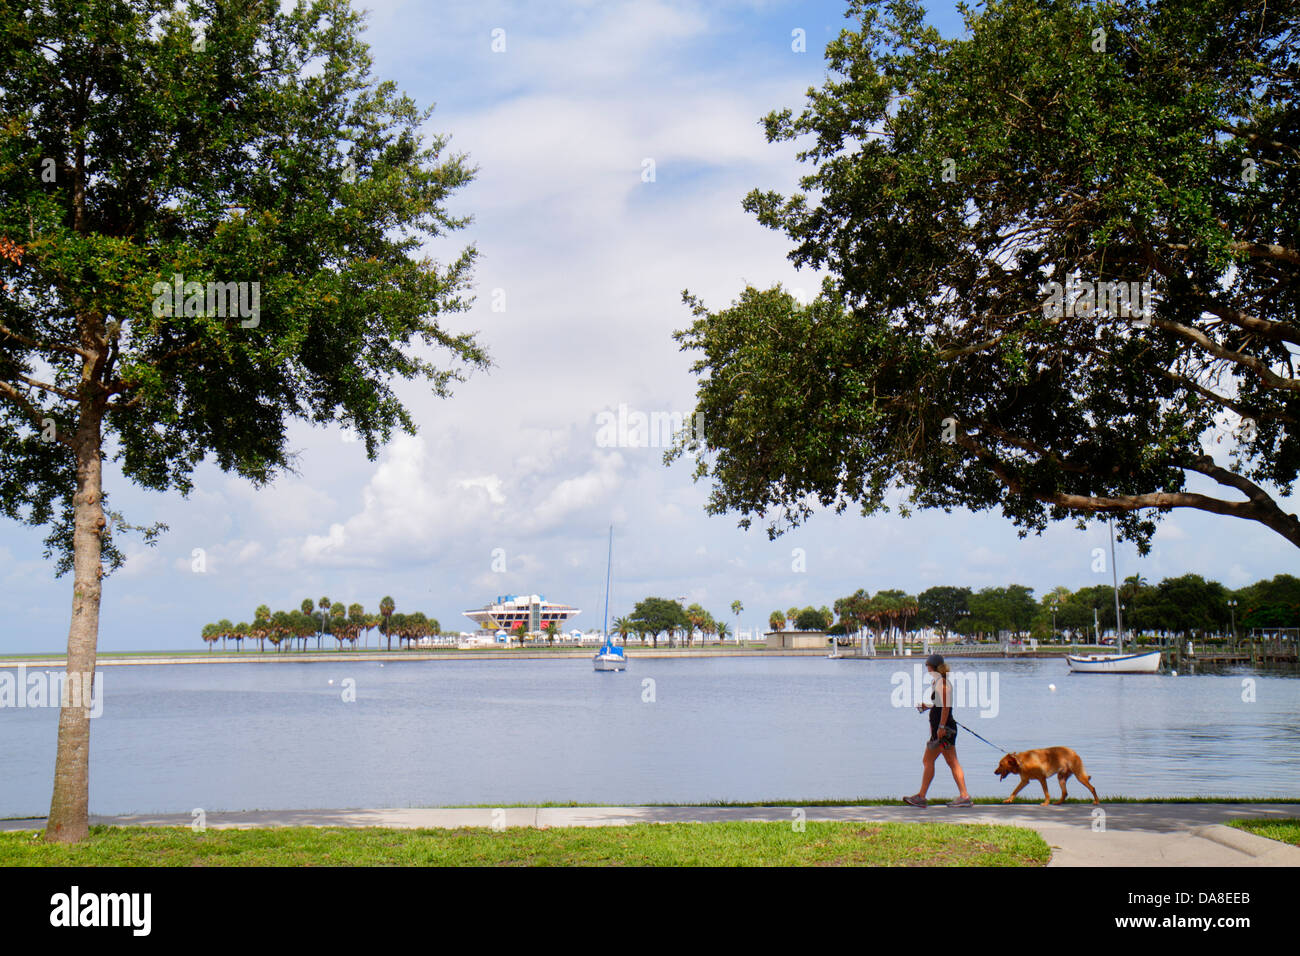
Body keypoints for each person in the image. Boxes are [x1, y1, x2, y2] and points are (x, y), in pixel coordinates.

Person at [903, 654, 972, 808]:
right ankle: (961, 796)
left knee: (944, 762)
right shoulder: (938, 682)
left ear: (933, 667)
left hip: (944, 731)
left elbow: (946, 707)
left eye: (927, 666)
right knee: (938, 761)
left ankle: (924, 796)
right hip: (940, 730)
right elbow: (940, 705)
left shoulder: (943, 684)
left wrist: (941, 727)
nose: (926, 669)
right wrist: (927, 706)